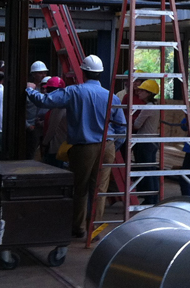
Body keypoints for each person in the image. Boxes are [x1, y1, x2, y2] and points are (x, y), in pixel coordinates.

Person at [25, 55, 125, 238]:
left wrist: (29, 90)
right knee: (99, 190)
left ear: (83, 72)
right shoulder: (110, 96)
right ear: (100, 74)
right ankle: (94, 229)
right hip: (107, 146)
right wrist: (113, 146)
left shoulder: (74, 92)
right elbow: (121, 127)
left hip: (83, 147)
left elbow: (44, 101)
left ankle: (78, 228)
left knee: (80, 189)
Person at [131, 79, 161, 204]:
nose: (139, 92)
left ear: (148, 93)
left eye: (142, 91)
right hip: (152, 141)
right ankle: (153, 197)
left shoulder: (148, 107)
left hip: (144, 142)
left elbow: (137, 125)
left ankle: (150, 198)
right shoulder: (155, 105)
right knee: (151, 169)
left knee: (146, 171)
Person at [40, 77, 68, 168]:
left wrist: (44, 144)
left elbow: (52, 128)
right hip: (58, 148)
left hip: (57, 149)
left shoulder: (59, 107)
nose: (47, 92)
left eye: (50, 89)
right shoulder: (58, 105)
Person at [25, 61, 50, 160]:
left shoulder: (48, 91)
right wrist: (27, 125)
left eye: (45, 73)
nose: (43, 75)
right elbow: (20, 109)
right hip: (31, 128)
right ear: (33, 74)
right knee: (31, 154)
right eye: (40, 73)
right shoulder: (27, 90)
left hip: (44, 127)